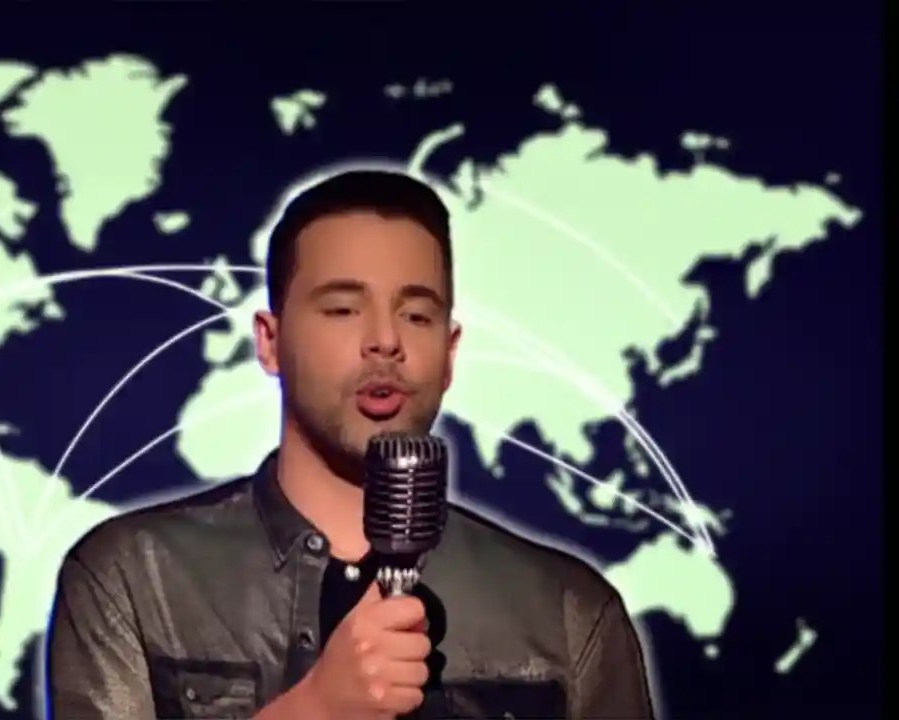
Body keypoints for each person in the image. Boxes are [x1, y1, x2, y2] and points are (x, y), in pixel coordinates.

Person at [43, 169, 657, 719]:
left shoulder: (566, 613)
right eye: (342, 309)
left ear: (449, 353)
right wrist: (314, 711)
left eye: (417, 315)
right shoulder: (131, 579)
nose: (385, 340)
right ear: (269, 341)